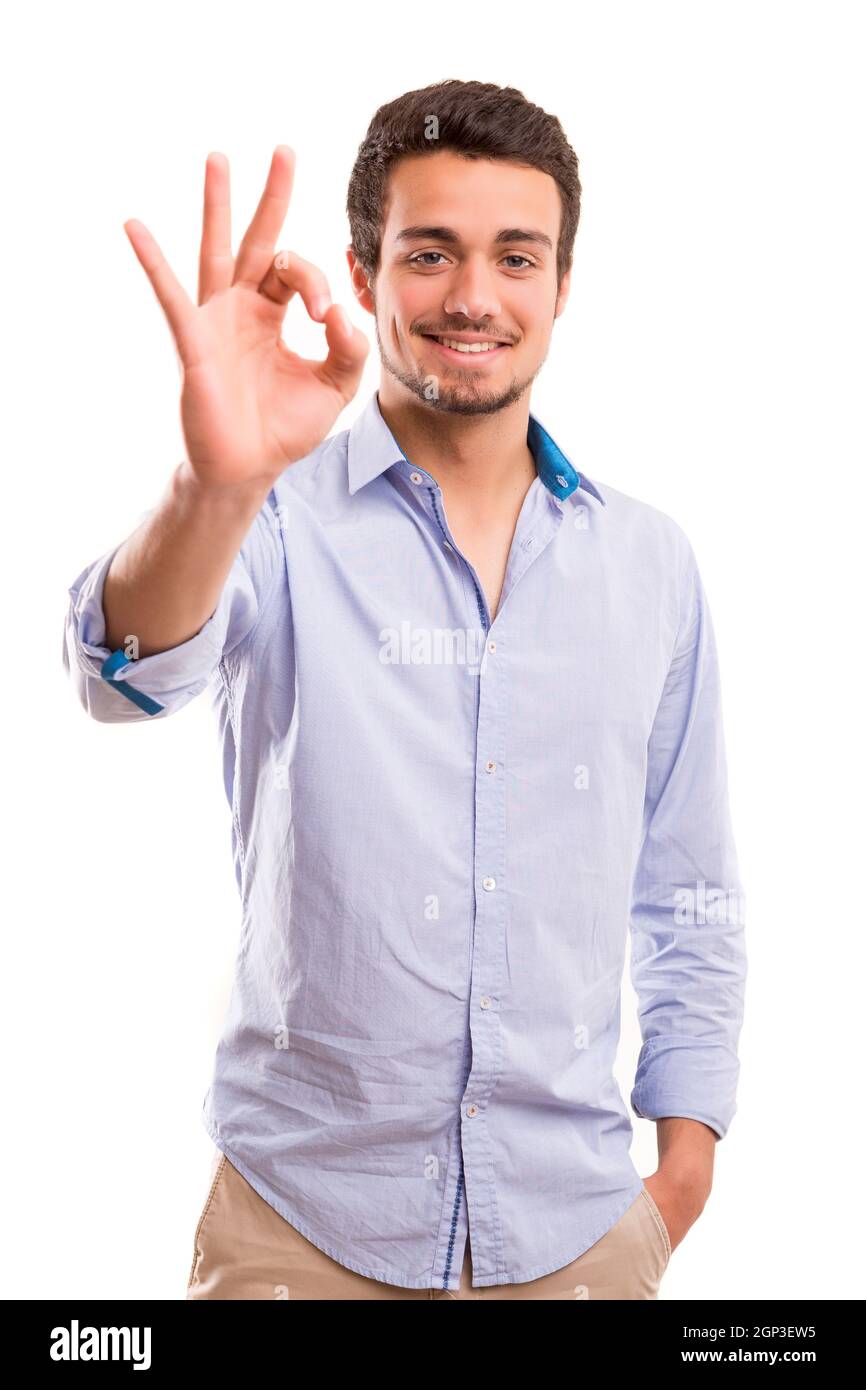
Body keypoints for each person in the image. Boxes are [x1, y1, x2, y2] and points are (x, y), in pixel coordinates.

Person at [63, 79, 747, 1300]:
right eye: (429, 253)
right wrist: (214, 486)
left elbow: (686, 886)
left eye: (514, 256)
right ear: (363, 273)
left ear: (560, 284)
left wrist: (680, 1169)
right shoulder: (271, 521)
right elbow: (122, 678)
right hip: (301, 1231)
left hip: (576, 1235)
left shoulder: (650, 563)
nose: (472, 296)